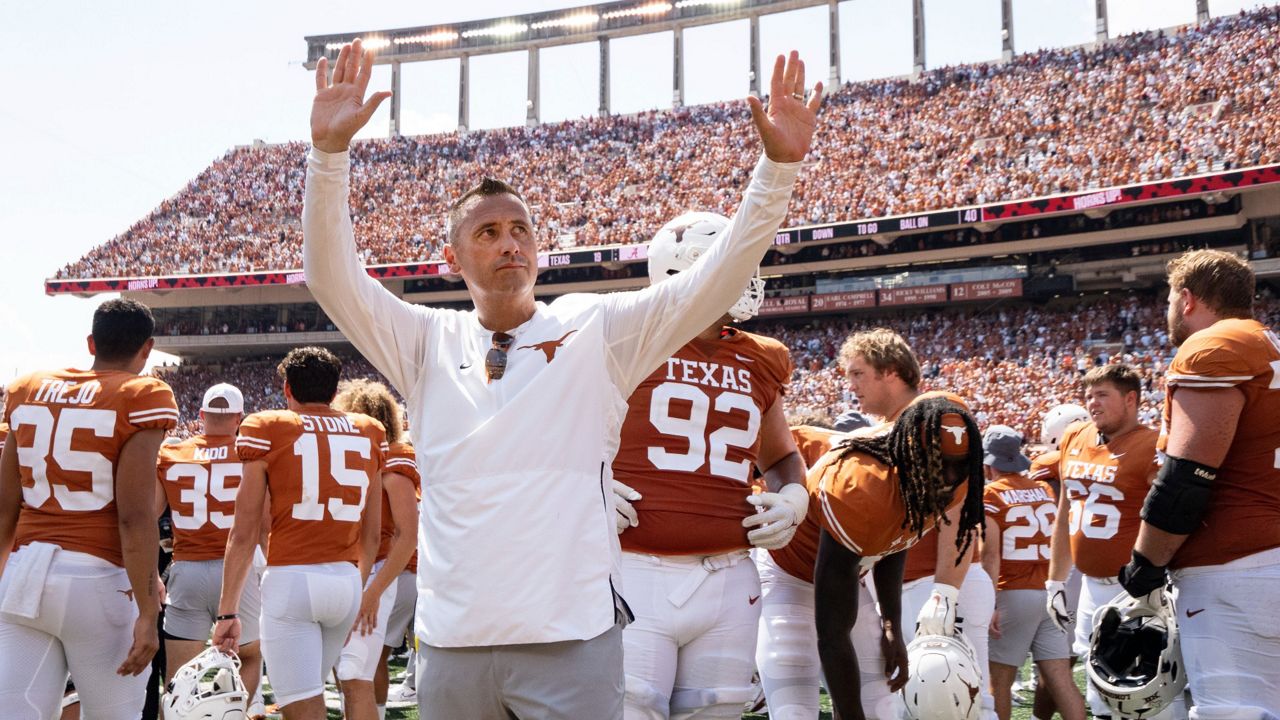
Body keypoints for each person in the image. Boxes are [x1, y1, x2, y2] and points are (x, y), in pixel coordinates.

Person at [302, 37, 823, 718]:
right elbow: (331, 278)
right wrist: (328, 157)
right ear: (453, 255)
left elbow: (712, 280)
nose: (509, 242)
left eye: (520, 228)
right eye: (487, 232)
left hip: (573, 636)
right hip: (455, 640)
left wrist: (776, 171)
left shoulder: (596, 331)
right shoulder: (426, 340)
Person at [610, 212, 807, 720]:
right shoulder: (625, 336)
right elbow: (552, 431)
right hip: (632, 568)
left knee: (716, 712)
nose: (746, 275)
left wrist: (793, 496)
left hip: (729, 575)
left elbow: (781, 456)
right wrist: (585, 485)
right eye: (732, 262)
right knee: (630, 709)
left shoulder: (762, 357)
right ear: (685, 269)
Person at [0, 298, 178, 719]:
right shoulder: (142, 394)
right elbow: (134, 517)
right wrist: (149, 611)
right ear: (147, 348)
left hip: (24, 578)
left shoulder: (27, 389)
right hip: (98, 580)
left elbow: (5, 506)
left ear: (90, 341)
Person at [1122, 249, 1280, 719]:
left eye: (1169, 298)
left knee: (1232, 712)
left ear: (1187, 299)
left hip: (1233, 569)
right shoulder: (1267, 346)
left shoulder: (1214, 346)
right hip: (1266, 557)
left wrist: (1145, 564)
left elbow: (1187, 478)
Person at [760, 394, 986, 720]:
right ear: (910, 455)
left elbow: (896, 535)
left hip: (850, 571)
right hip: (789, 573)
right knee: (794, 711)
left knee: (880, 707)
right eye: (940, 466)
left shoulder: (948, 478)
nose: (950, 478)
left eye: (960, 466)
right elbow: (832, 636)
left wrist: (891, 620)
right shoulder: (862, 488)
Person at [212, 347, 386, 720]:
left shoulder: (267, 426)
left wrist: (227, 610)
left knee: (303, 708)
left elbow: (243, 534)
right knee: (313, 697)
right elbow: (372, 533)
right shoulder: (369, 431)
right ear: (334, 391)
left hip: (292, 580)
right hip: (346, 581)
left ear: (287, 388)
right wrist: (356, 584)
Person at [844, 328, 997, 716]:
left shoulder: (934, 412)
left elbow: (956, 510)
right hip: (916, 584)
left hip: (934, 581)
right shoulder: (894, 424)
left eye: (858, 373)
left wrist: (945, 593)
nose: (850, 385)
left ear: (890, 372)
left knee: (960, 706)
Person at [1045, 364, 1183, 720]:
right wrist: (1055, 580)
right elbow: (1065, 513)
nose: (1093, 403)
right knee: (1100, 692)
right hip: (1091, 586)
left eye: (1103, 395)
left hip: (1137, 589)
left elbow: (1174, 512)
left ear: (1131, 398)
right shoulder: (1076, 437)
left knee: (1152, 694)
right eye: (1089, 395)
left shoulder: (1152, 443)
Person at [155, 382, 264, 702]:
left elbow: (150, 515)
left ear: (201, 415)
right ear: (239, 418)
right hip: (238, 572)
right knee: (251, 657)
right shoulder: (250, 454)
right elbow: (264, 522)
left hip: (186, 569)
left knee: (176, 678)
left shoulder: (172, 452)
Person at [980, 426, 1084, 720]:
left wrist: (989, 603)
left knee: (999, 680)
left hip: (1014, 592)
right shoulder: (1044, 489)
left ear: (989, 464)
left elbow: (989, 554)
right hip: (1051, 592)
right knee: (1060, 678)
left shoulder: (991, 495)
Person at [332, 379, 419, 720]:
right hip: (357, 570)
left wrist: (372, 591)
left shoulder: (394, 458)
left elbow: (405, 534)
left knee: (361, 666)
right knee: (351, 666)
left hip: (385, 572)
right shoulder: (360, 456)